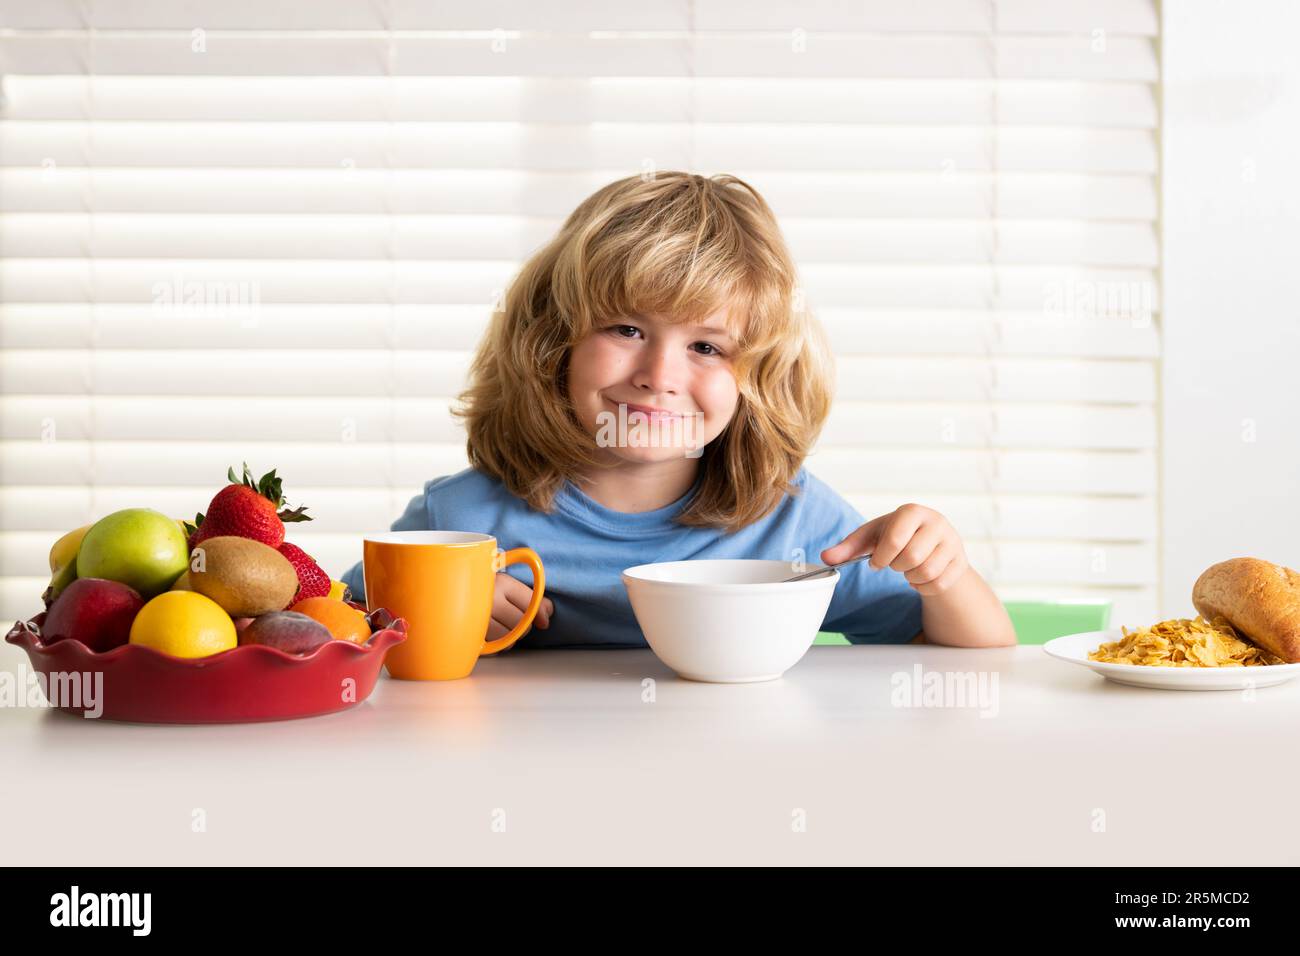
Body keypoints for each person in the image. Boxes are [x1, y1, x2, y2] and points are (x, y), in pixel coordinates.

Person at [339, 172, 1015, 650]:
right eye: (626, 330)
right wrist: (430, 613)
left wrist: (943, 573)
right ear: (553, 342)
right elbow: (328, 634)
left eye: (705, 346)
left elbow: (977, 651)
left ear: (758, 378)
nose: (659, 377)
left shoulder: (794, 521)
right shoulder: (458, 524)